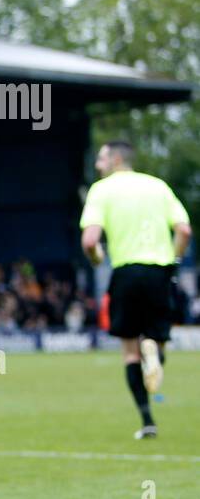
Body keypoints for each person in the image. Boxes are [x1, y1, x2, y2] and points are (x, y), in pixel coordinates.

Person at [80, 140, 192, 439]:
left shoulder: (101, 190)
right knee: (156, 339)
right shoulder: (158, 186)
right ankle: (154, 351)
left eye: (101, 159)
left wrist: (97, 258)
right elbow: (184, 230)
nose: (97, 165)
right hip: (160, 271)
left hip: (126, 271)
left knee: (129, 350)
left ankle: (147, 421)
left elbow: (90, 241)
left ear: (116, 159)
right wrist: (174, 258)